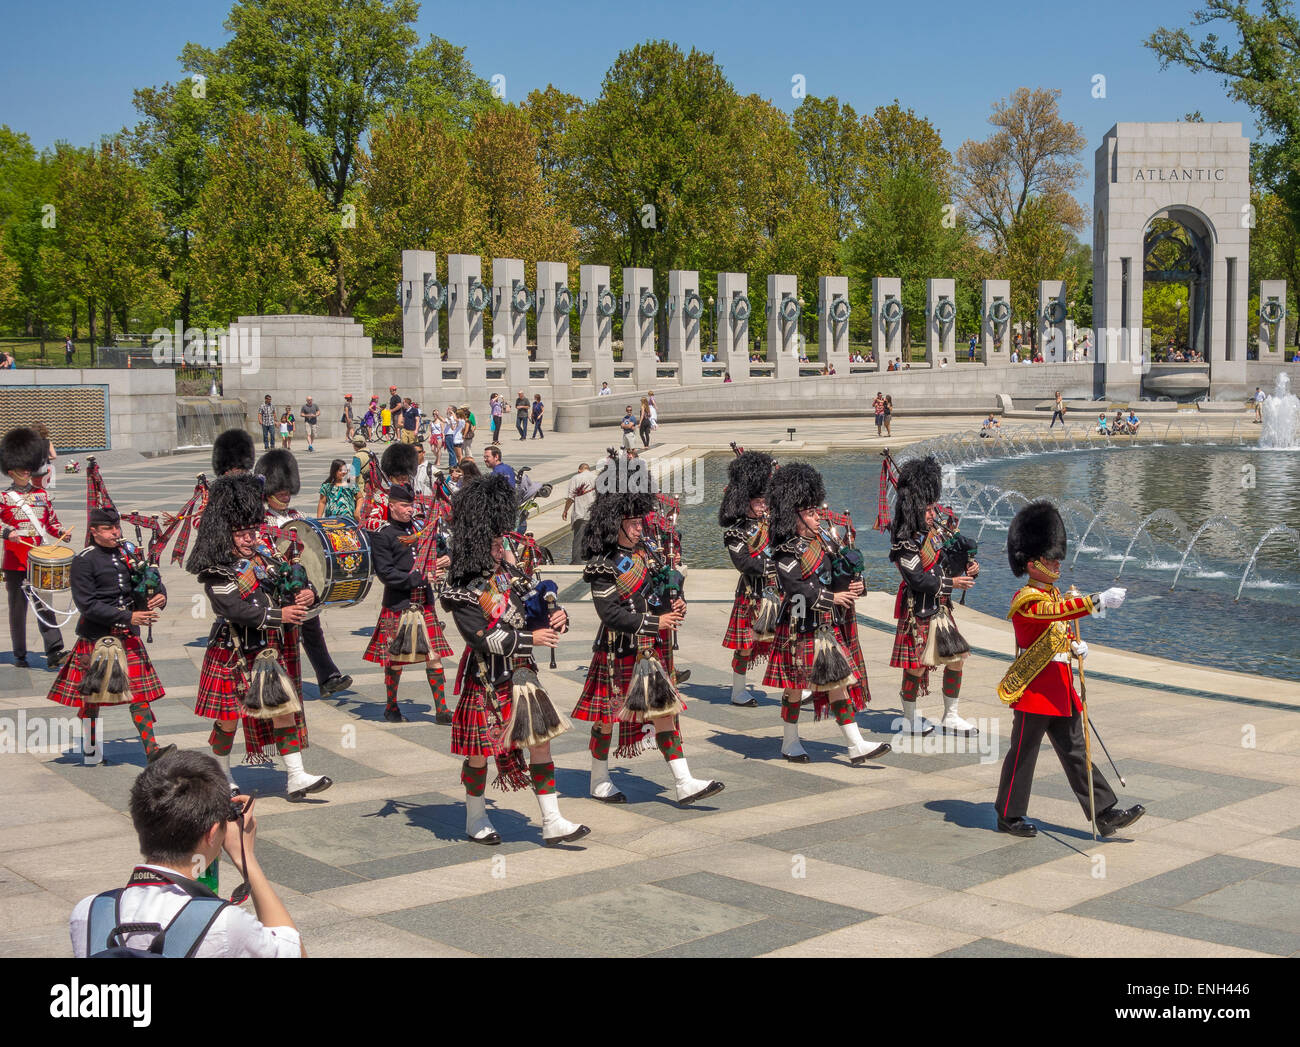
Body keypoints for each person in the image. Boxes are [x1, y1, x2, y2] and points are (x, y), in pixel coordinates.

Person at [439, 474, 588, 844]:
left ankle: (552, 821)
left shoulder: (507, 573)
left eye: (499, 540)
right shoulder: (461, 589)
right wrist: (531, 637)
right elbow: (484, 636)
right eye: (493, 542)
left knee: (541, 743)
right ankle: (475, 817)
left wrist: (555, 617)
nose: (500, 546)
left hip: (524, 675)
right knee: (481, 753)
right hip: (489, 677)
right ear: (475, 543)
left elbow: (532, 607)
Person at [994, 501, 1143, 838]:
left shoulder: (1052, 593)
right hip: (1034, 689)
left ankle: (1103, 813)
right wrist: (1097, 601)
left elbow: (1057, 623)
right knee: (1024, 754)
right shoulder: (1026, 598)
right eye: (1050, 557)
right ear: (1032, 561)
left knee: (1076, 750)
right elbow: (1053, 612)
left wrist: (1072, 647)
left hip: (1059, 687)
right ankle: (1008, 814)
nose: (1056, 562)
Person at [70, 751, 304, 957]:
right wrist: (246, 858)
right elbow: (295, 952)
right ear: (212, 833)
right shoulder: (224, 924)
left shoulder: (89, 912)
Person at [573, 488, 724, 807]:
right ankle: (598, 780)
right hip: (618, 650)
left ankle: (684, 783)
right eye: (633, 522)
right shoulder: (602, 565)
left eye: (640, 520)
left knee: (664, 711)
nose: (640, 527)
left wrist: (677, 601)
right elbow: (610, 614)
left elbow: (662, 589)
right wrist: (658, 622)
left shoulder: (648, 553)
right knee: (606, 718)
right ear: (616, 524)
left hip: (648, 651)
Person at [186, 474, 331, 799]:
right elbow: (233, 608)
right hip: (234, 651)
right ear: (227, 533)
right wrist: (280, 615)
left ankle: (296, 776)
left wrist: (307, 593)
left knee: (282, 710)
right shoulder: (218, 569)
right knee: (228, 719)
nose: (250, 538)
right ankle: (221, 776)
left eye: (253, 531)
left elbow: (294, 583)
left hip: (270, 650)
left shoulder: (270, 558)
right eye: (242, 533)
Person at [762, 463, 891, 764]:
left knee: (839, 682)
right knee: (794, 688)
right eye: (809, 512)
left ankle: (855, 744)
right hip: (798, 624)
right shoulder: (784, 552)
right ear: (793, 516)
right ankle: (790, 740)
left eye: (815, 510)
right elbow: (796, 589)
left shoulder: (825, 542)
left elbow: (837, 575)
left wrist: (856, 584)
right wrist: (833, 597)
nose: (817, 516)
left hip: (825, 624)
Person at [47, 505, 174, 766]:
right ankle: (92, 749)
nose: (115, 532)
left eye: (116, 527)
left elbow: (149, 582)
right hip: (96, 636)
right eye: (108, 528)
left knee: (140, 695)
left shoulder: (129, 552)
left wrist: (160, 596)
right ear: (93, 531)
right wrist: (129, 617)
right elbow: (87, 604)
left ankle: (152, 750)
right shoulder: (84, 560)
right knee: (92, 697)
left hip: (127, 635)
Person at [889, 456, 979, 737]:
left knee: (956, 659)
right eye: (927, 509)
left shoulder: (936, 536)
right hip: (918, 610)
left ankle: (950, 716)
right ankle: (909, 718)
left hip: (940, 608)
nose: (933, 513)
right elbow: (917, 579)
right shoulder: (904, 542)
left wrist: (968, 569)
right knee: (915, 667)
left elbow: (946, 567)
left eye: (932, 507)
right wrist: (952, 582)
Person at [257, 450, 352, 699]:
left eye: (287, 491)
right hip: (276, 585)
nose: (285, 495)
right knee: (281, 640)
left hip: (302, 584)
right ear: (269, 493)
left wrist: (312, 585)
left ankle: (328, 677)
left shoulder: (297, 516)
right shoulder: (261, 520)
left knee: (313, 630)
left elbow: (313, 550)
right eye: (280, 491)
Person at [364, 482, 454, 724]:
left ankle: (442, 710)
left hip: (424, 603)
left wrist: (444, 559)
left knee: (434, 655)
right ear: (391, 506)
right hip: (398, 603)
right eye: (404, 505)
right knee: (395, 659)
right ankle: (391, 706)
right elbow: (386, 574)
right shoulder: (383, 535)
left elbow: (439, 551)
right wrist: (422, 577)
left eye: (411, 505)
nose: (410, 510)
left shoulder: (420, 530)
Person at [2, 427, 70, 669]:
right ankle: (19, 652)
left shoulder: (42, 494)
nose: (27, 472)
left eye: (28, 468)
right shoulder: (3, 497)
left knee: (45, 606)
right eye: (22, 470)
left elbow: (50, 522)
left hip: (39, 558)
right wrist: (6, 531)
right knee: (17, 610)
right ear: (11, 471)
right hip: (15, 561)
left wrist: (61, 532)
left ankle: (54, 651)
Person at [719, 451, 777, 707]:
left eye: (765, 501)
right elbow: (743, 563)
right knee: (745, 645)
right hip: (752, 592)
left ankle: (798, 684)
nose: (763, 505)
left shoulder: (775, 525)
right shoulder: (736, 532)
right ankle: (738, 689)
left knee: (789, 640)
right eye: (758, 502)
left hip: (777, 592)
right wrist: (774, 566)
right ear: (745, 503)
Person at [562, 463, 596, 566]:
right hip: (594, 513)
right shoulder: (596, 478)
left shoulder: (576, 478)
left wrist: (565, 510)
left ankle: (576, 561)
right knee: (594, 538)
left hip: (580, 513)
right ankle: (593, 560)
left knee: (578, 538)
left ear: (579, 470)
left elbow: (570, 497)